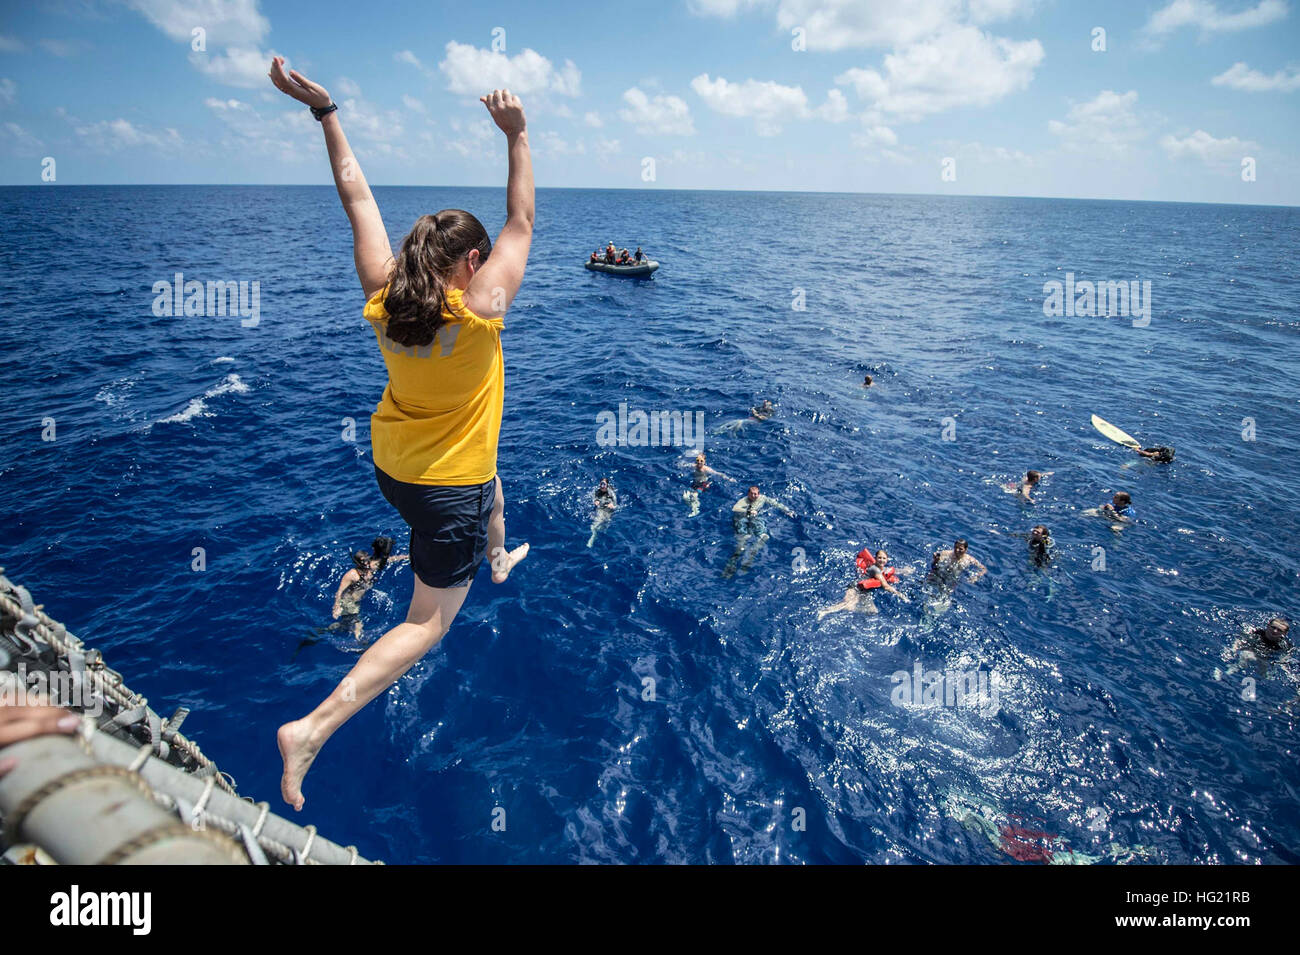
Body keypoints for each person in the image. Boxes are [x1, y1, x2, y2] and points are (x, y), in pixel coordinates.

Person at [269, 58, 532, 811]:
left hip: (400, 468)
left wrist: (326, 110)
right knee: (426, 624)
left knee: (490, 474)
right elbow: (522, 222)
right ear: (473, 265)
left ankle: (494, 555)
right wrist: (517, 134)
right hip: (445, 489)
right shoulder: (482, 310)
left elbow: (354, 189)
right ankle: (314, 728)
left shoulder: (385, 295)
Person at [818, 547, 910, 620]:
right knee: (847, 604)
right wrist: (901, 595)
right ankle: (824, 611)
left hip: (865, 591)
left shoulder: (882, 568)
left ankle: (856, 615)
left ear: (887, 560)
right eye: (879, 558)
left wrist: (904, 570)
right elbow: (885, 586)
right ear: (875, 559)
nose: (882, 560)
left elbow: (890, 571)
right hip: (855, 588)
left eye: (884, 558)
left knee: (872, 611)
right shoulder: (875, 569)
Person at [724, 486, 794, 577]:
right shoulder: (744, 500)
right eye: (751, 494)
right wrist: (749, 511)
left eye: (755, 494)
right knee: (743, 542)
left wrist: (786, 510)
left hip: (754, 518)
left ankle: (753, 552)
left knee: (764, 536)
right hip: (741, 519)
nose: (753, 496)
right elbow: (735, 508)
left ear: (758, 494)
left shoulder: (762, 498)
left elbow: (775, 503)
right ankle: (732, 563)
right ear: (748, 494)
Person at [683, 451, 733, 517]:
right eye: (697, 460)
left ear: (704, 462)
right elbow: (684, 464)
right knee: (685, 496)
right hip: (695, 484)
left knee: (694, 496)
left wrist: (728, 478)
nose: (699, 462)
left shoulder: (706, 469)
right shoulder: (693, 466)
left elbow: (719, 474)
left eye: (701, 461)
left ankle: (695, 510)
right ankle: (691, 506)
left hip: (703, 485)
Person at [587, 478, 617, 547]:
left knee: (604, 526)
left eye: (604, 484)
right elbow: (594, 498)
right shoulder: (597, 492)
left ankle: (597, 536)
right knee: (594, 526)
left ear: (607, 485)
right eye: (601, 484)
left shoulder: (611, 494)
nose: (602, 486)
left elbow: (616, 506)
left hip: (609, 511)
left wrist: (612, 506)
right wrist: (595, 501)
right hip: (601, 509)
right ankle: (593, 536)